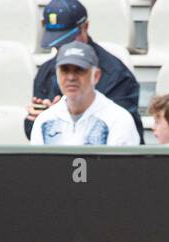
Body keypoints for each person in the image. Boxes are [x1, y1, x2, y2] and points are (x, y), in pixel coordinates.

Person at [26, 0, 141, 143]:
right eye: (56, 43)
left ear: (85, 27)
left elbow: (126, 132)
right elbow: (36, 135)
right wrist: (41, 117)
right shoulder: (45, 71)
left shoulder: (117, 74)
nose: (71, 77)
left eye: (67, 39)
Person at [29, 41, 139, 146]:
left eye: (79, 70)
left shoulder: (119, 120)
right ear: (57, 75)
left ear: (96, 76)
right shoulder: (44, 120)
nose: (71, 77)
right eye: (65, 70)